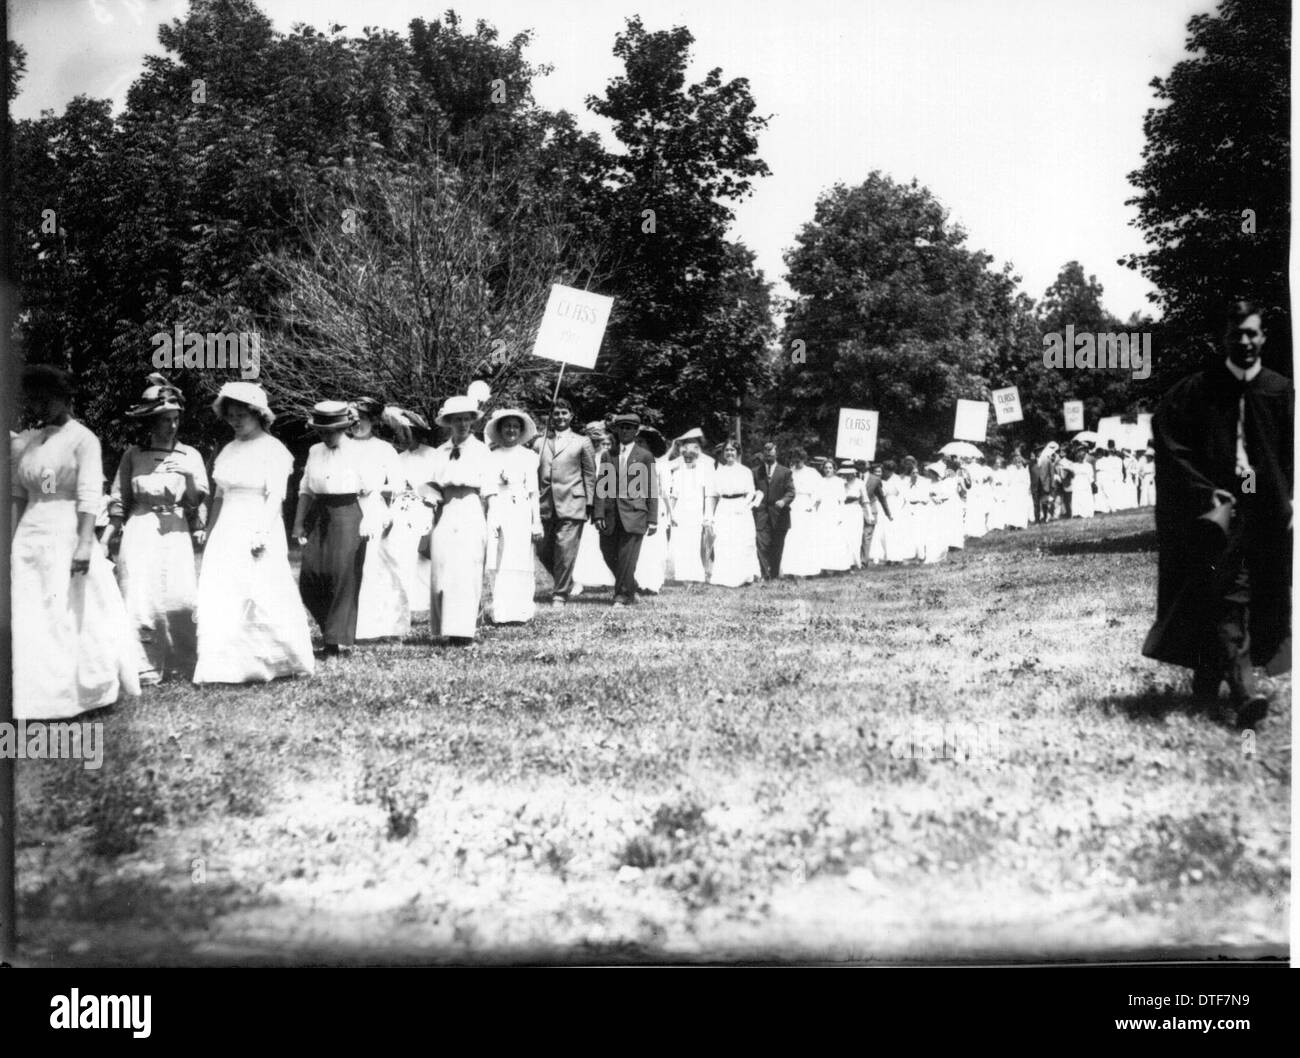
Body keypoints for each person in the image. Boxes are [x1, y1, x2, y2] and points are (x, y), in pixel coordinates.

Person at [1143, 300, 1292, 728]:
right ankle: (1245, 695)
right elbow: (1171, 445)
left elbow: (1289, 454)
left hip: (1265, 511)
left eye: (1251, 333)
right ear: (1222, 339)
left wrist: (1288, 499)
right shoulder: (1196, 391)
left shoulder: (1279, 391)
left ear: (1263, 337)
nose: (1244, 341)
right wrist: (1204, 491)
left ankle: (1208, 680)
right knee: (1229, 594)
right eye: (1236, 334)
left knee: (1249, 596)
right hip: (1217, 512)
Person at [11, 365, 141, 718]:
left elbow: (88, 496)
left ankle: (82, 694)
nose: (39, 407)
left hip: (67, 532)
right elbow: (18, 496)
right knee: (32, 614)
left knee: (68, 613)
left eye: (46, 399)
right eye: (33, 400)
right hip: (29, 536)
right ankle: (37, 697)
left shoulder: (83, 439)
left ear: (65, 398)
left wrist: (85, 544)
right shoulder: (27, 442)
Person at [193, 382, 314, 684]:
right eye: (230, 416)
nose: (235, 421)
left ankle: (276, 661)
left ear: (258, 414)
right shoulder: (228, 450)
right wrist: (210, 530)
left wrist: (261, 532)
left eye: (241, 415)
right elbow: (219, 494)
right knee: (226, 589)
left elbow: (276, 496)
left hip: (258, 522)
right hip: (227, 526)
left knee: (261, 589)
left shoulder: (274, 450)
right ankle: (225, 666)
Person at [103, 373, 209, 684]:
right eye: (165, 420)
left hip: (175, 529)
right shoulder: (133, 455)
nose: (172, 425)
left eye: (176, 419)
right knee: (138, 596)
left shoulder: (191, 455)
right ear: (150, 422)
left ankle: (183, 663)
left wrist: (189, 476)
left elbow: (194, 502)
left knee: (181, 598)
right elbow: (119, 501)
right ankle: (143, 667)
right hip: (141, 528)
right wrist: (105, 540)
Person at [292, 401, 378, 656]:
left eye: (331, 430)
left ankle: (336, 642)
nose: (326, 435)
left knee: (343, 576)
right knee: (310, 578)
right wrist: (298, 523)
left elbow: (370, 491)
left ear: (345, 428)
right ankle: (330, 631)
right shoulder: (314, 451)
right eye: (321, 430)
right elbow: (305, 490)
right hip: (320, 513)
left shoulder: (359, 452)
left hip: (349, 513)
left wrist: (367, 520)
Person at [423, 395, 498, 643]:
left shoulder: (481, 451)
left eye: (467, 419)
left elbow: (489, 490)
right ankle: (446, 626)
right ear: (449, 422)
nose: (463, 424)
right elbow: (431, 485)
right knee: (442, 570)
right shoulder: (440, 451)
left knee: (466, 569)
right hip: (446, 509)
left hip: (470, 507)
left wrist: (492, 521)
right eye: (457, 420)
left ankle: (463, 632)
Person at [349, 396, 409, 640]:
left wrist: (374, 489)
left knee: (376, 567)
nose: (357, 425)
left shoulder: (384, 449)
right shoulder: (341, 446)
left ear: (373, 421)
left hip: (374, 509)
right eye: (353, 420)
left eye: (363, 420)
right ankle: (352, 625)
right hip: (347, 508)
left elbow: (398, 484)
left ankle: (381, 626)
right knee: (350, 568)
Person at [533, 398, 598, 608]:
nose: (560, 417)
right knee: (542, 550)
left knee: (564, 549)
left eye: (564, 413)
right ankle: (568, 581)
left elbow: (589, 474)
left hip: (573, 502)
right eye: (556, 413)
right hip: (545, 504)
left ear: (571, 416)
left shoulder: (582, 441)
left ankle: (559, 594)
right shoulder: (539, 442)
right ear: (550, 417)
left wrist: (589, 503)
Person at [593, 412, 659, 607]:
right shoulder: (608, 455)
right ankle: (631, 587)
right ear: (616, 430)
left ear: (636, 431)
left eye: (629, 427)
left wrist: (653, 518)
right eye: (621, 427)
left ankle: (621, 596)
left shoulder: (645, 456)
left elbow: (651, 488)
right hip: (610, 513)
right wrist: (598, 513)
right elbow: (601, 486)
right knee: (607, 552)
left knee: (626, 556)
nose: (625, 431)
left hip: (635, 514)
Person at [485, 408, 542, 623]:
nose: (511, 430)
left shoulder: (529, 457)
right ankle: (501, 611)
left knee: (520, 560)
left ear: (521, 431)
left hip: (521, 511)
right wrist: (495, 515)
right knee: (499, 560)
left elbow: (533, 492)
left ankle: (521, 611)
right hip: (498, 508)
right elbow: (490, 489)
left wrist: (536, 521)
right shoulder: (490, 456)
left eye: (515, 426)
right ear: (500, 429)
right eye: (507, 426)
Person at [390, 410, 437, 615]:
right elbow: (393, 487)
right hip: (401, 509)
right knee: (402, 554)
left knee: (422, 555)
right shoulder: (397, 458)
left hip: (424, 509)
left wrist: (426, 495)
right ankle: (406, 598)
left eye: (406, 431)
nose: (403, 436)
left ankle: (423, 601)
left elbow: (438, 484)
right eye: (400, 433)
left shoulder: (432, 455)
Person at [705, 440, 761, 587]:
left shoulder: (745, 471)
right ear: (723, 453)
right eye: (727, 451)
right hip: (724, 507)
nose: (730, 453)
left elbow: (751, 492)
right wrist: (709, 516)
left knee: (741, 541)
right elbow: (712, 495)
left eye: (732, 450)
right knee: (723, 541)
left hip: (740, 507)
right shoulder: (718, 472)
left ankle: (743, 576)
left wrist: (745, 505)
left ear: (738, 453)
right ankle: (724, 577)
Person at [572, 424, 616, 594]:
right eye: (601, 442)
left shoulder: (609, 459)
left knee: (601, 544)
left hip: (603, 505)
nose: (604, 446)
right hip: (586, 503)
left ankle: (604, 579)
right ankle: (579, 580)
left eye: (607, 443)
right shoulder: (586, 456)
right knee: (584, 543)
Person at [667, 428, 713, 583]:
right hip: (681, 511)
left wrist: (708, 516)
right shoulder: (678, 472)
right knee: (680, 542)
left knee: (694, 543)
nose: (689, 456)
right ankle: (682, 575)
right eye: (686, 453)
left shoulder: (705, 468)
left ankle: (695, 575)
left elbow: (708, 495)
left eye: (694, 448)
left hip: (696, 511)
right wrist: (671, 513)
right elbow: (674, 495)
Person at [634, 427, 672, 594]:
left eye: (641, 442)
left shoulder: (660, 464)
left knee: (656, 547)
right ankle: (639, 582)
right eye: (636, 442)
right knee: (640, 547)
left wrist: (671, 513)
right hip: (637, 507)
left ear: (650, 444)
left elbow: (665, 491)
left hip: (656, 508)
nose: (638, 445)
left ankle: (653, 584)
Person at [750, 440, 794, 579]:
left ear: (776, 454)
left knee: (777, 547)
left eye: (771, 454)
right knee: (761, 545)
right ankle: (765, 574)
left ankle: (774, 574)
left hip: (779, 515)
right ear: (763, 455)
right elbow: (751, 491)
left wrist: (783, 501)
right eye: (766, 454)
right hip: (760, 514)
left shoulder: (785, 472)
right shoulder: (755, 472)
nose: (769, 457)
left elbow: (791, 492)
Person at [781, 448, 822, 577]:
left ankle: (807, 570)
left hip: (807, 505)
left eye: (799, 460)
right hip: (793, 505)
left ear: (804, 459)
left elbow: (819, 492)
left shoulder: (812, 472)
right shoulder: (789, 473)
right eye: (795, 460)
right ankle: (791, 570)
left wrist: (813, 506)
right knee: (793, 536)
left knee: (807, 537)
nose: (797, 463)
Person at [816, 457, 851, 572]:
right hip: (823, 511)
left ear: (834, 469)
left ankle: (837, 567)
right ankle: (824, 567)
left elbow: (842, 500)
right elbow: (817, 499)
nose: (828, 470)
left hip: (835, 510)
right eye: (826, 468)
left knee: (836, 538)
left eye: (830, 468)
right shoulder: (820, 481)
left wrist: (841, 515)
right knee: (823, 538)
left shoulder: (840, 482)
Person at [867, 460, 900, 564]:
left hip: (894, 506)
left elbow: (901, 494)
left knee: (893, 532)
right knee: (880, 532)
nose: (888, 473)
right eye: (886, 471)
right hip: (881, 506)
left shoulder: (897, 479)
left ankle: (894, 557)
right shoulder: (878, 480)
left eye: (891, 471)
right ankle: (880, 556)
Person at [860, 461, 892, 565]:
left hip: (870, 510)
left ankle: (863, 561)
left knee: (866, 535)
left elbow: (882, 498)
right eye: (859, 463)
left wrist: (888, 513)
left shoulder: (875, 479)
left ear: (868, 465)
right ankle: (854, 560)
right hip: (854, 510)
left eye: (862, 463)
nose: (860, 466)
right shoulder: (852, 476)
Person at [838, 461, 867, 570]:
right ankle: (846, 562)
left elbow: (865, 499)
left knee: (855, 536)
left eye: (850, 472)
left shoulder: (860, 483)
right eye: (846, 473)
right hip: (843, 510)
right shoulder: (840, 482)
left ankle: (855, 562)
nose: (848, 475)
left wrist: (869, 515)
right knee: (844, 536)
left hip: (855, 511)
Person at [1063, 444, 1095, 518]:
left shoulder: (1088, 465)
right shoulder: (1073, 465)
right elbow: (1065, 468)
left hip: (1086, 483)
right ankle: (1078, 513)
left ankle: (1087, 513)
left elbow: (1090, 476)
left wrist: (1091, 483)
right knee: (1078, 497)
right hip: (1077, 483)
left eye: (1083, 454)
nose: (1081, 456)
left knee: (1086, 497)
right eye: (1079, 454)